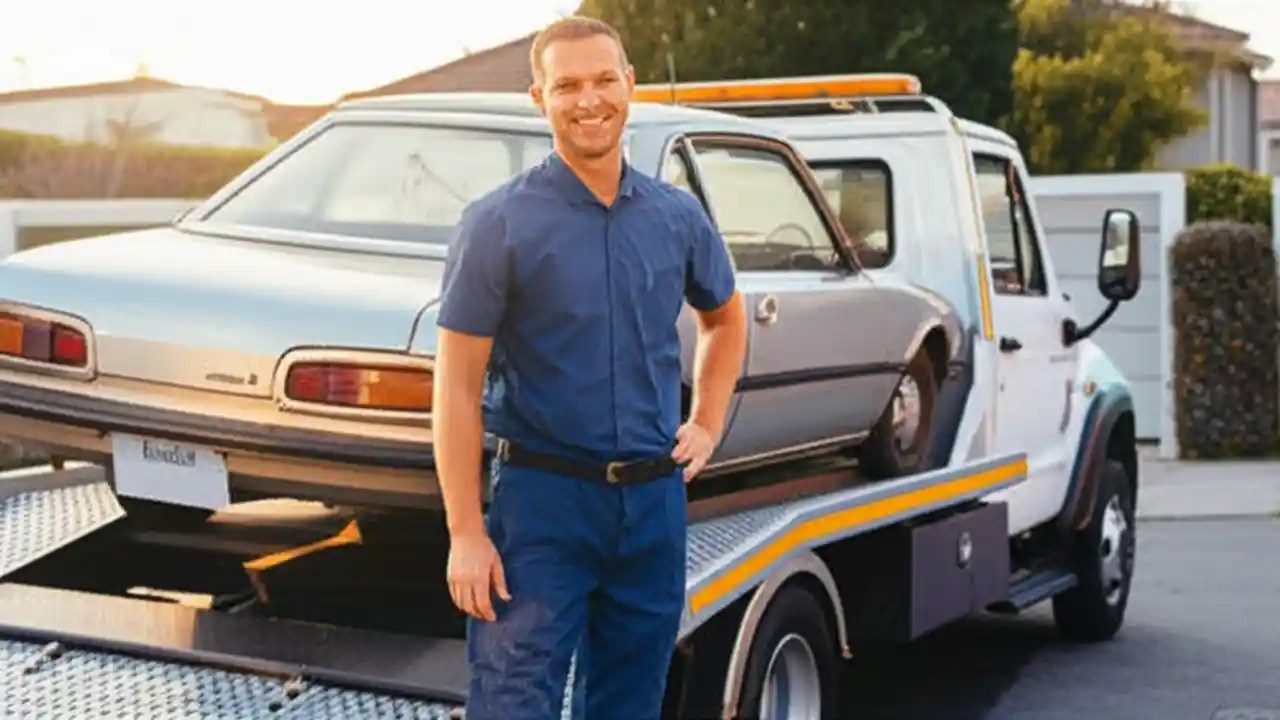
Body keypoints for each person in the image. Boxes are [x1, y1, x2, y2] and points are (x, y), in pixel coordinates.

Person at [430, 15, 747, 720]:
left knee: (630, 706)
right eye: (567, 85)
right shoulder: (497, 225)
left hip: (652, 508)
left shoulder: (676, 217)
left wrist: (706, 421)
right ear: (538, 97)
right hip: (542, 509)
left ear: (630, 85)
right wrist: (465, 533)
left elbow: (726, 319)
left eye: (604, 79)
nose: (589, 99)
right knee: (514, 705)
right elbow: (453, 387)